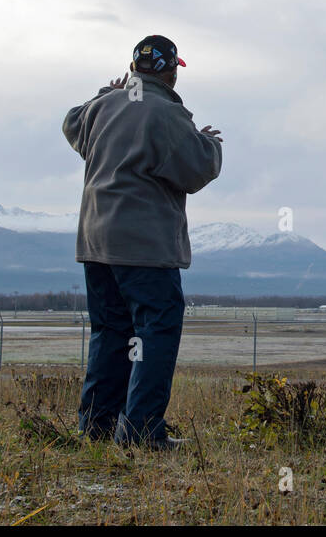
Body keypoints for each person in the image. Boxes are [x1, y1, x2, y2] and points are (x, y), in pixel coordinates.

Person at [62, 34, 222, 449]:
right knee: (156, 332)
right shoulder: (167, 113)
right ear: (171, 72)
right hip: (145, 249)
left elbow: (72, 122)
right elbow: (197, 168)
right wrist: (209, 143)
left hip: (95, 243)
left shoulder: (103, 106)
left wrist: (106, 93)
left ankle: (95, 428)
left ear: (132, 68)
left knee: (110, 333)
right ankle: (140, 432)